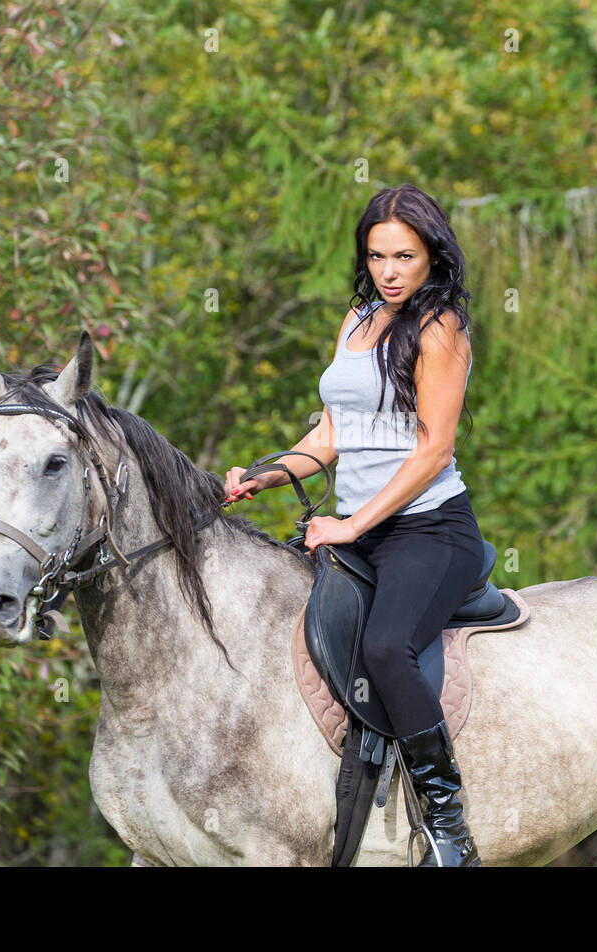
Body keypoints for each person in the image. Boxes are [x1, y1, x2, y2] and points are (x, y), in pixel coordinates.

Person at [224, 183, 485, 866]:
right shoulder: (358, 320)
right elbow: (331, 434)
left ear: (433, 255)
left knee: (385, 646)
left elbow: (432, 451)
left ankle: (449, 829)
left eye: (404, 255)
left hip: (430, 531)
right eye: (377, 256)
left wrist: (348, 524)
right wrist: (269, 472)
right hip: (363, 529)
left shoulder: (442, 328)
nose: (390, 270)